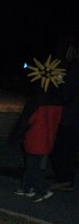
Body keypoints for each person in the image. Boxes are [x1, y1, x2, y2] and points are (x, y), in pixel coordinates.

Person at [8, 59, 63, 202]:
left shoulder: (36, 99)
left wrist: (16, 137)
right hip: (48, 139)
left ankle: (43, 189)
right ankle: (26, 187)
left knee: (33, 166)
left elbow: (26, 121)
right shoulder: (57, 99)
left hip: (35, 138)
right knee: (32, 164)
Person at [49, 46, 79, 191]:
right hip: (73, 116)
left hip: (70, 116)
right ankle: (67, 177)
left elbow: (65, 93)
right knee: (69, 148)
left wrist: (56, 82)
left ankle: (64, 179)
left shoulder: (74, 69)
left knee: (62, 148)